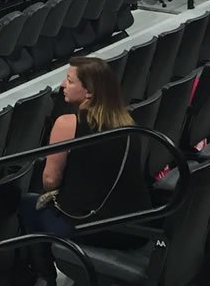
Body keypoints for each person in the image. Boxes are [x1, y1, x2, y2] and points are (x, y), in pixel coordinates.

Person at [20, 58, 149, 247]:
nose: (63, 85)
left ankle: (44, 271)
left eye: (70, 81)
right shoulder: (127, 123)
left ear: (89, 91)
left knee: (27, 204)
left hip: (95, 229)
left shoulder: (67, 124)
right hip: (136, 229)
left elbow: (50, 180)